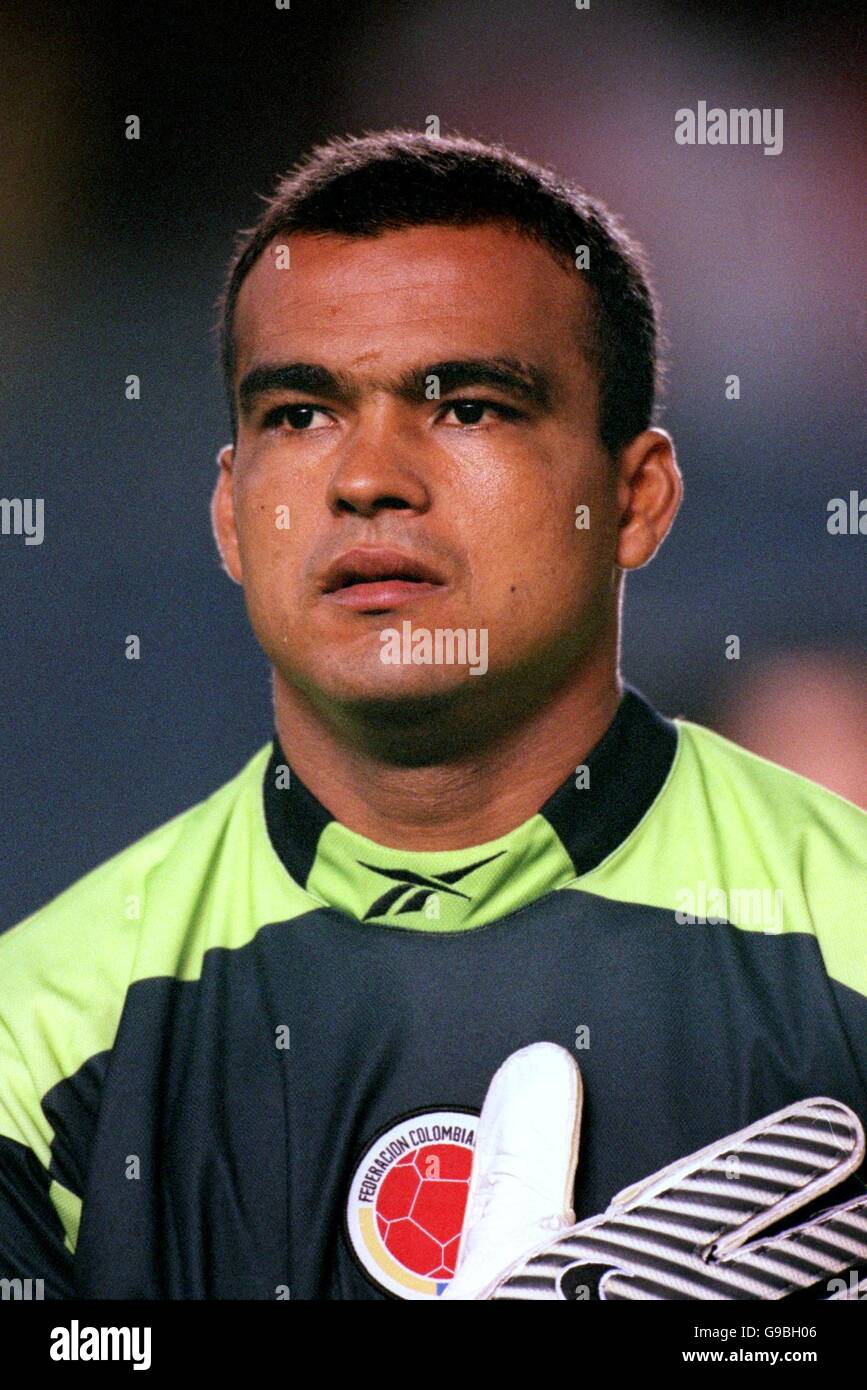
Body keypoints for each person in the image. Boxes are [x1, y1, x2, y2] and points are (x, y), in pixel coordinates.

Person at [1, 130, 864, 1301]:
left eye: (466, 405)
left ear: (636, 499)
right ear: (228, 513)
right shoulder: (37, 1037)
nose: (367, 477)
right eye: (300, 414)